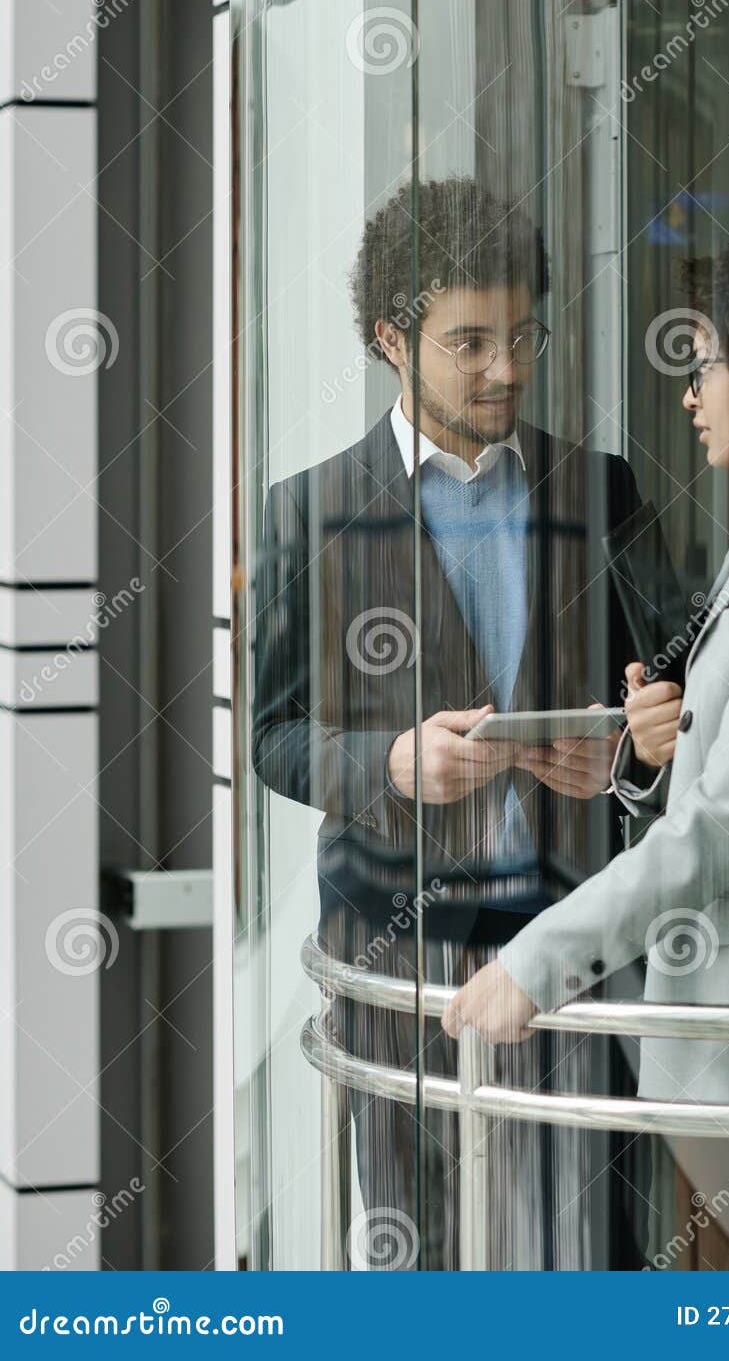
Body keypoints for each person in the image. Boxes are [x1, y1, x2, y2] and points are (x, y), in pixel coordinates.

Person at [251, 175, 643, 1267]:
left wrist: (617, 754)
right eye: (471, 342)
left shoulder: (600, 487)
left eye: (523, 335)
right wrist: (387, 760)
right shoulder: (307, 510)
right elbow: (268, 733)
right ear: (391, 336)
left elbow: (669, 691)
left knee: (574, 1247)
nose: (506, 369)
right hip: (394, 944)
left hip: (568, 938)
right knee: (407, 1249)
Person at [444, 231, 729, 1120]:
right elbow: (718, 764)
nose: (690, 398)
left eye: (704, 370)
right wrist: (655, 750)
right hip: (725, 1020)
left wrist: (540, 961)